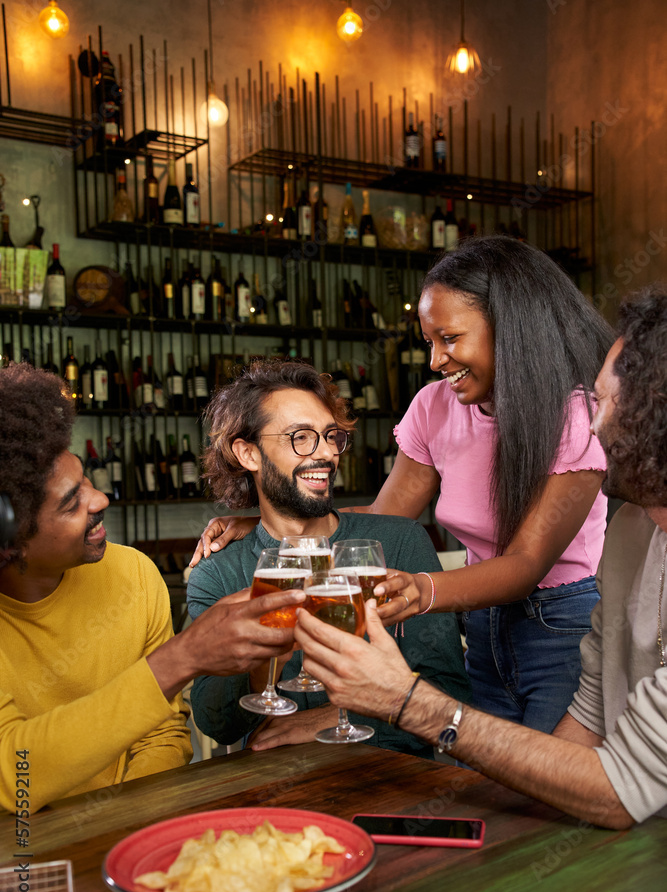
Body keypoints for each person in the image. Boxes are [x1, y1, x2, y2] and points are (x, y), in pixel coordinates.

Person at [192, 236, 615, 734]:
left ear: (509, 328)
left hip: (563, 625)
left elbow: (525, 566)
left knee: (549, 788)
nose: (436, 360)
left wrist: (420, 590)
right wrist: (268, 519)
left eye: (450, 338)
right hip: (480, 623)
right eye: (429, 341)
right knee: (494, 785)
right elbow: (387, 518)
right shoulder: (435, 407)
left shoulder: (577, 417)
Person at [294, 286, 667, 830]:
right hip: (487, 628)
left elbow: (615, 791)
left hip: (553, 619)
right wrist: (273, 523)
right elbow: (590, 716)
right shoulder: (632, 533)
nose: (589, 424)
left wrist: (408, 699)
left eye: (605, 403)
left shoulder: (565, 419)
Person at [0, 363, 306, 813]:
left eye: (86, 480)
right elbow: (13, 772)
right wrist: (183, 658)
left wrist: (123, 822)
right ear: (11, 543)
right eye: (71, 504)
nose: (100, 500)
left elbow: (162, 734)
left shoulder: (133, 575)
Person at [187, 358, 471, 757]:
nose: (326, 454)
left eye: (330, 436)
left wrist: (345, 716)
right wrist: (258, 661)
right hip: (281, 795)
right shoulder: (219, 572)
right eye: (301, 437)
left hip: (397, 785)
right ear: (248, 453)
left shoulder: (401, 541)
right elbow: (215, 722)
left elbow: (448, 689)